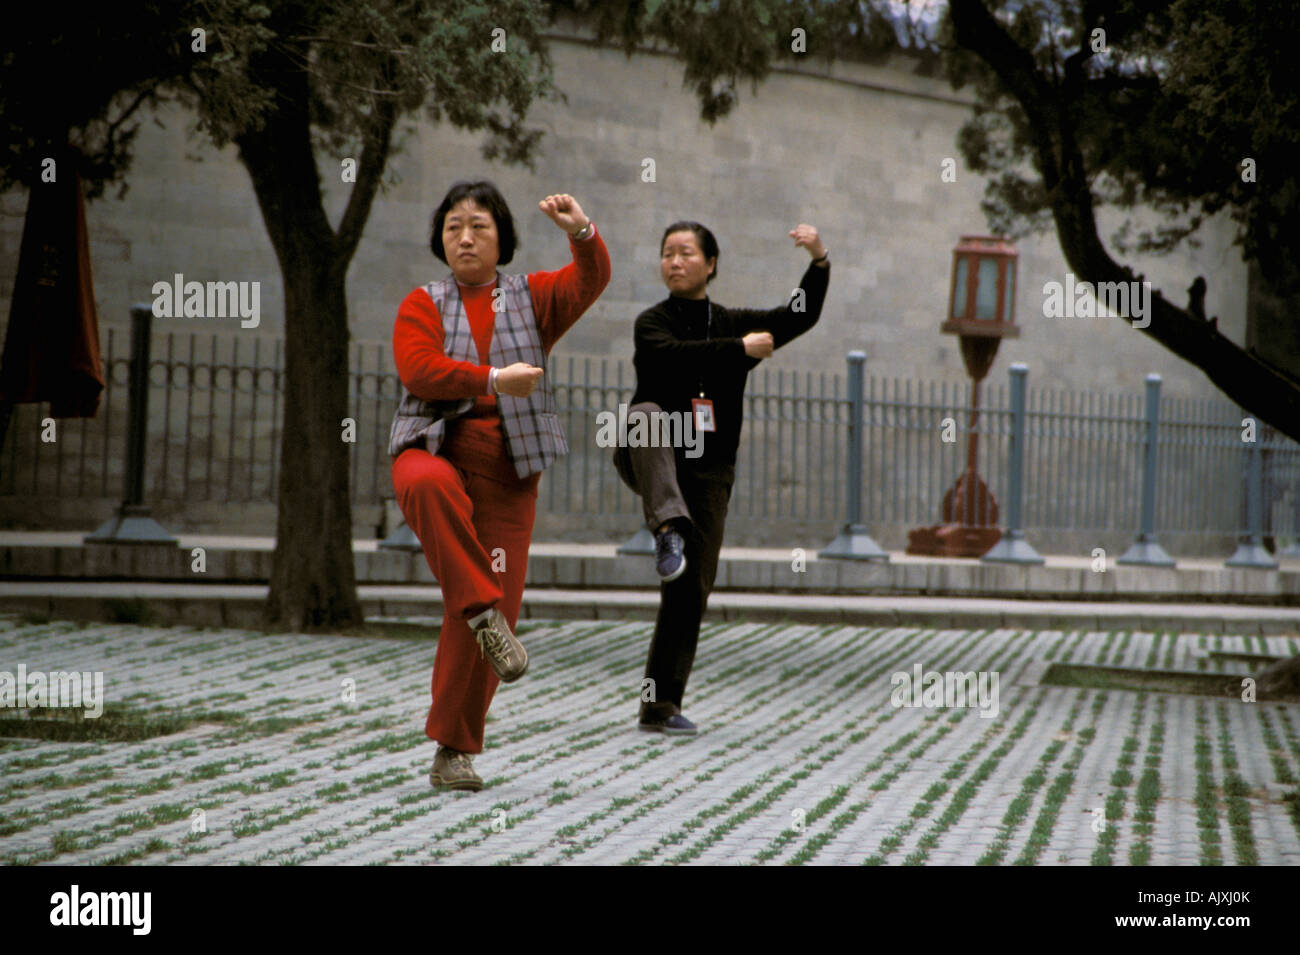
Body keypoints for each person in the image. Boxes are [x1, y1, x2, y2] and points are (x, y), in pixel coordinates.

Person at [389, 180, 610, 790]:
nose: (465, 236)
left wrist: (580, 231)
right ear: (440, 237)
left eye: (479, 225)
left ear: (502, 238)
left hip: (508, 474)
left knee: (489, 623)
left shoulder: (530, 297)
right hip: (431, 448)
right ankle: (481, 608)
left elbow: (588, 282)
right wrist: (492, 379)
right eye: (454, 224)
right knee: (428, 486)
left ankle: (452, 753)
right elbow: (421, 371)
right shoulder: (422, 302)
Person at [613, 220, 829, 735]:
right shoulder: (651, 323)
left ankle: (659, 705)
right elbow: (666, 362)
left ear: (710, 264)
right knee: (644, 412)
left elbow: (797, 317)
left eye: (686, 253)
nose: (675, 262)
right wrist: (740, 351)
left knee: (691, 587)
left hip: (709, 471)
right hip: (653, 454)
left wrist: (818, 263)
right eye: (667, 253)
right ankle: (667, 528)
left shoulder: (731, 321)